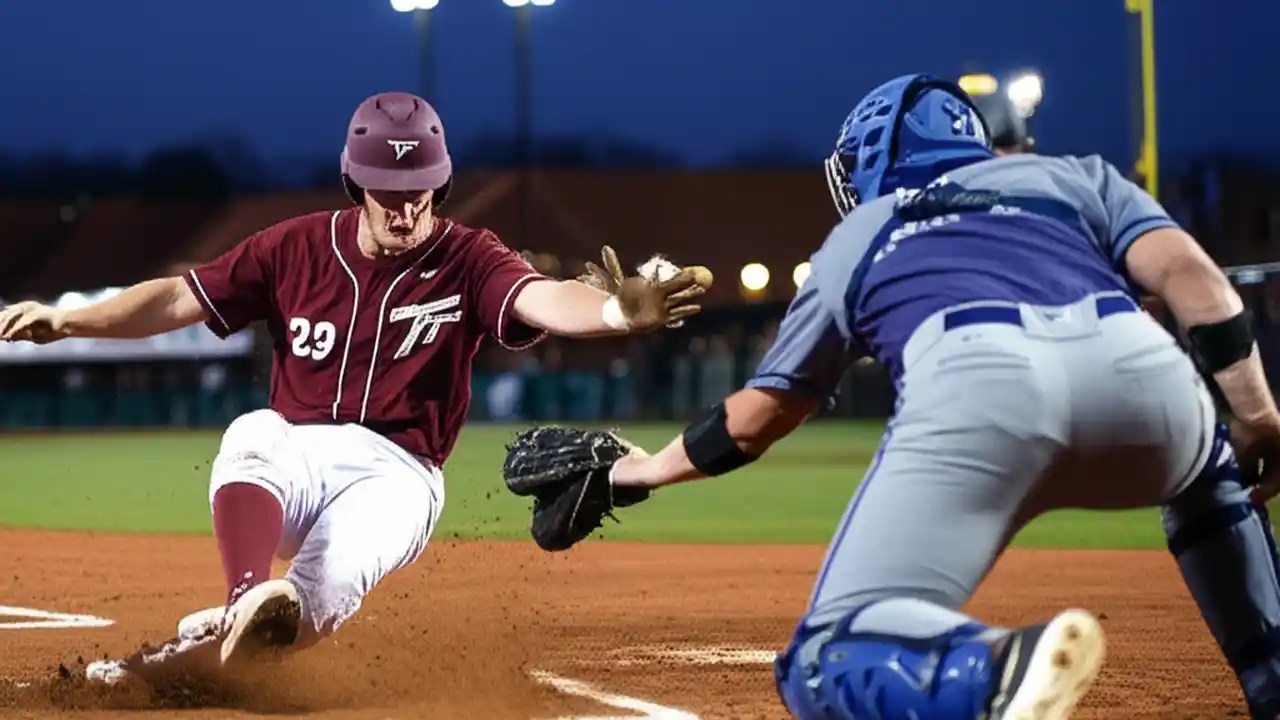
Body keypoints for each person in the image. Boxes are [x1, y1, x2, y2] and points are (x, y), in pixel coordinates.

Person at [607, 73, 1280, 719]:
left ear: (877, 155)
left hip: (980, 391)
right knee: (1214, 481)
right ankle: (1272, 677)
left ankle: (987, 671)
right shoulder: (1078, 177)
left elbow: (760, 417)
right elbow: (1200, 287)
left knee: (825, 654)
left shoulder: (861, 235)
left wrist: (637, 471)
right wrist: (1258, 416)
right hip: (1141, 371)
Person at [0, 91, 711, 685]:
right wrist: (69, 321)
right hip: (298, 460)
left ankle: (172, 666)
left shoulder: (468, 255)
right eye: (389, 194)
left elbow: (541, 299)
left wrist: (618, 312)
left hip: (400, 477)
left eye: (420, 193)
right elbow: (177, 299)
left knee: (321, 597)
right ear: (355, 185)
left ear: (441, 185)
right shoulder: (295, 247)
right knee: (253, 432)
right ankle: (245, 599)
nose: (406, 210)